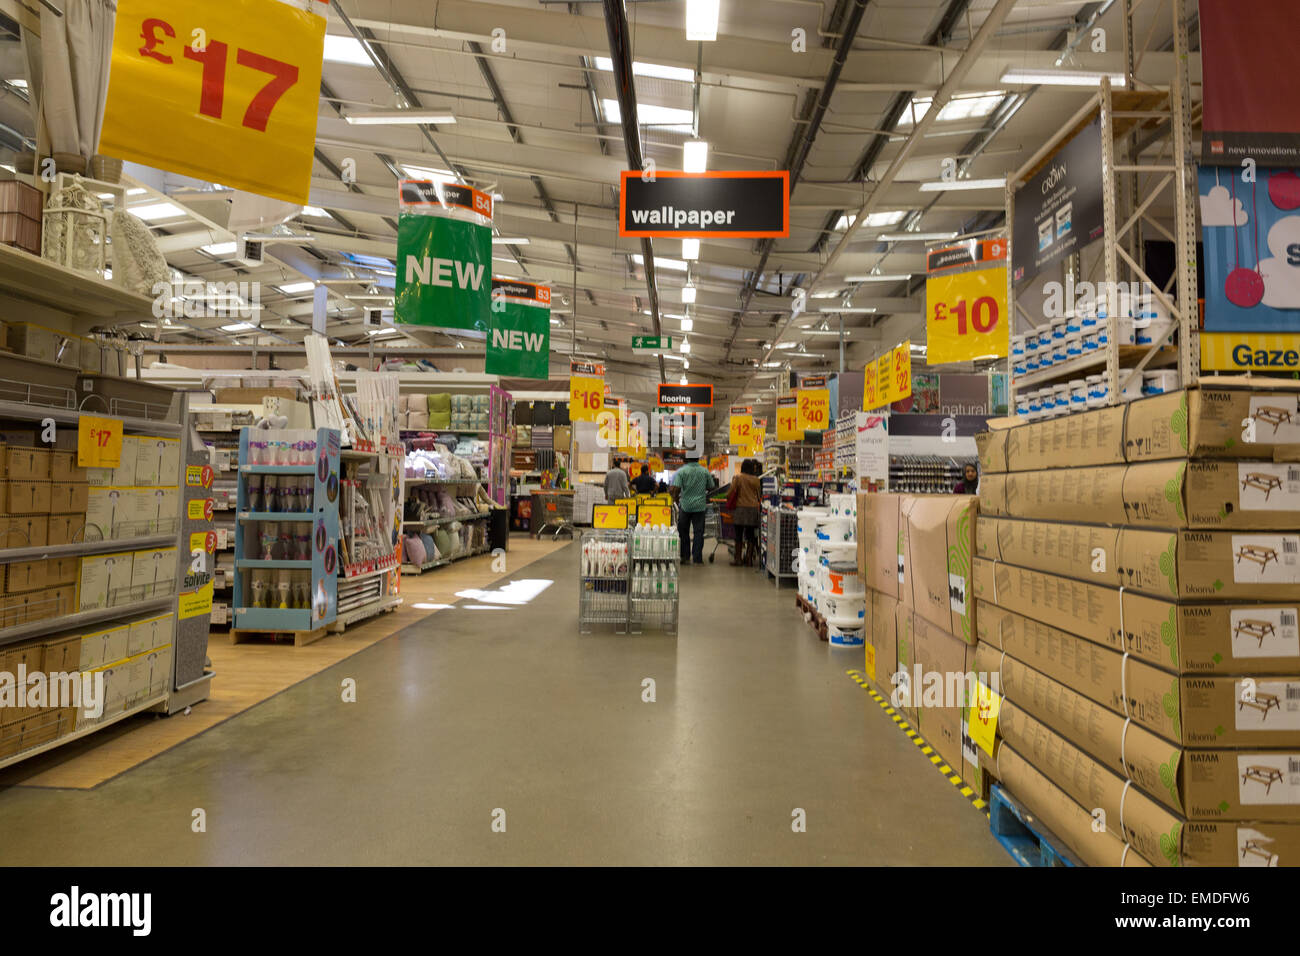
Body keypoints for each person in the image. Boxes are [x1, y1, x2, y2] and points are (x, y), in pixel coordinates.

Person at [670, 454, 712, 564]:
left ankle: (685, 556)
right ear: (698, 459)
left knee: (683, 531)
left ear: (687, 459)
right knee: (699, 532)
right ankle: (697, 558)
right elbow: (711, 486)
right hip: (700, 506)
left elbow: (677, 489)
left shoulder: (682, 471)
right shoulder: (704, 471)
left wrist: (675, 501)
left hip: (685, 506)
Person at [728, 459, 763, 567]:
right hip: (753, 509)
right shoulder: (756, 480)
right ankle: (749, 559)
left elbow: (731, 491)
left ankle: (738, 559)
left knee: (738, 535)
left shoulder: (739, 478)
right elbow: (759, 494)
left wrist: (728, 497)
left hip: (740, 509)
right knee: (751, 535)